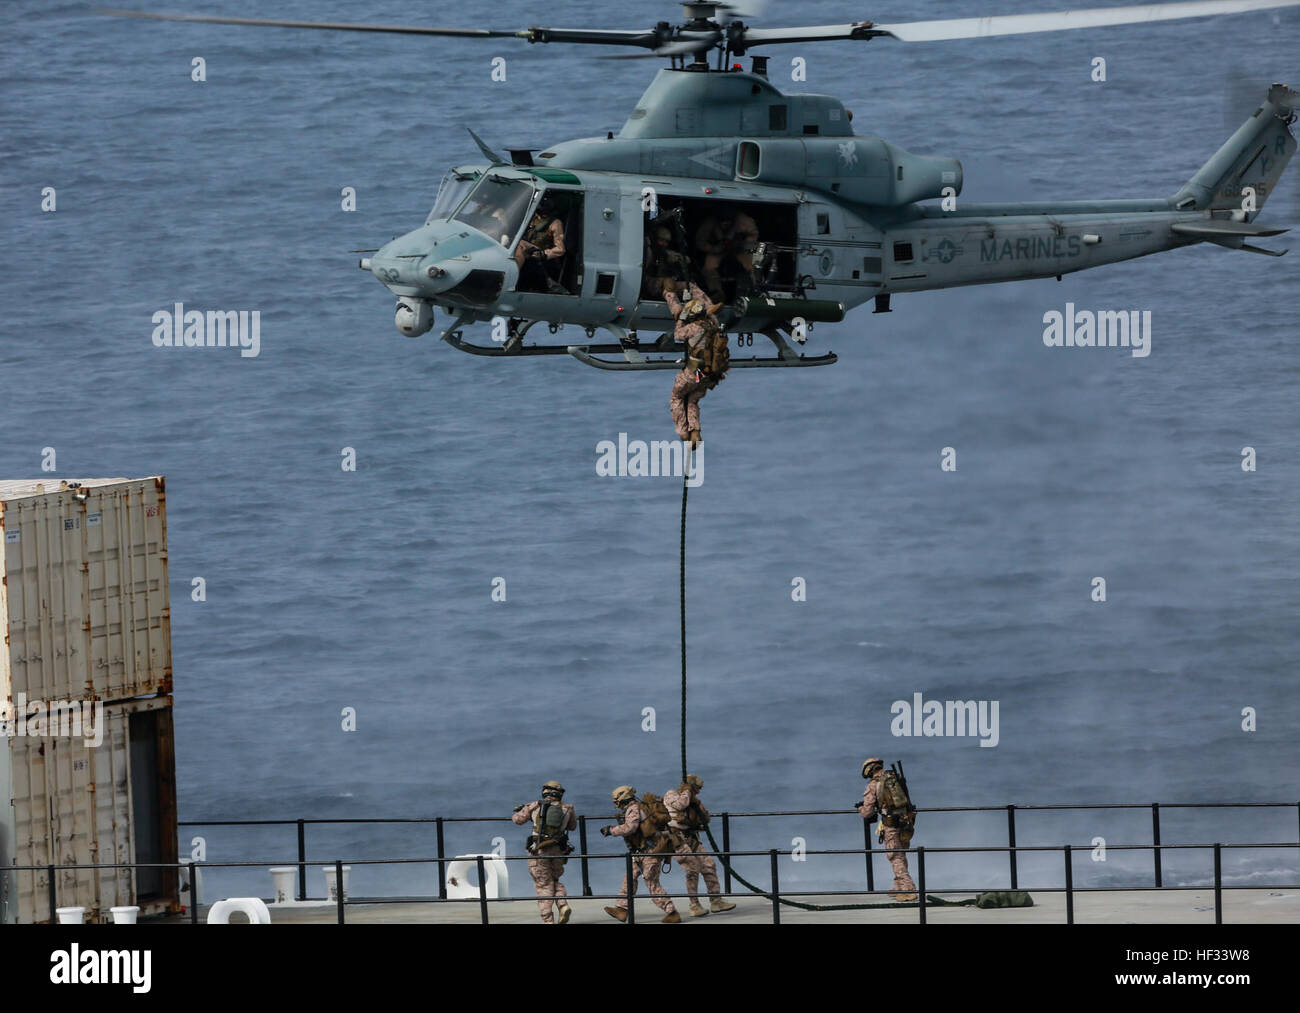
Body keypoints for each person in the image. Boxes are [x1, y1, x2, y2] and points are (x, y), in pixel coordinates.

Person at [599, 785, 680, 923]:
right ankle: (622, 909)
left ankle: (671, 912)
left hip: (650, 852)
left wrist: (611, 830)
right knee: (629, 878)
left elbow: (630, 827)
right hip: (641, 852)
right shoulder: (634, 807)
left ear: (623, 797)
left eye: (616, 800)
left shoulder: (633, 809)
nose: (615, 803)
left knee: (651, 882)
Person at [662, 773, 736, 917]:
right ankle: (694, 905)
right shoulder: (671, 795)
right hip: (676, 839)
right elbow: (680, 804)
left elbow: (706, 818)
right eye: (696, 789)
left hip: (692, 837)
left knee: (709, 864)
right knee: (692, 869)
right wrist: (687, 792)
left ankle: (716, 900)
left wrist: (695, 812)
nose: (698, 792)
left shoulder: (694, 801)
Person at [664, 281, 726, 448]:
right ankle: (696, 432)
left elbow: (677, 335)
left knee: (676, 397)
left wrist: (681, 319)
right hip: (709, 374)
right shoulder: (713, 323)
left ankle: (684, 433)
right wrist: (692, 287)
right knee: (691, 400)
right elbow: (707, 305)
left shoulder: (693, 328)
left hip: (692, 372)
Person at [511, 780, 578, 924]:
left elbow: (517, 820)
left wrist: (522, 810)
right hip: (558, 850)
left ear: (544, 792)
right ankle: (563, 905)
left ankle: (548, 921)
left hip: (539, 850)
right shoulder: (567, 808)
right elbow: (572, 826)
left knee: (543, 885)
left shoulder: (534, 805)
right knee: (554, 880)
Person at [856, 758, 918, 902]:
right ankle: (898, 886)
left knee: (894, 856)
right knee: (900, 854)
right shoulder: (894, 778)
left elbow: (867, 812)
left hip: (891, 824)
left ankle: (909, 889)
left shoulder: (874, 785)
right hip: (905, 822)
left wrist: (860, 808)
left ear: (868, 771)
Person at [693, 209, 759, 303]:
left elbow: (754, 234)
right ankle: (717, 293)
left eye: (728, 222)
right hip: (718, 248)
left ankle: (756, 290)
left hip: (739, 248)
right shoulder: (709, 223)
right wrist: (714, 248)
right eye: (723, 222)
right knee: (709, 268)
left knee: (753, 266)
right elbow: (700, 242)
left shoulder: (744, 220)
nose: (725, 224)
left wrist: (743, 245)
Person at [515, 197, 568, 293]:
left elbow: (560, 249)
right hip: (526, 252)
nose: (539, 212)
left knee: (521, 244)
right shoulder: (531, 218)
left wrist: (544, 253)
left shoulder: (555, 223)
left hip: (541, 256)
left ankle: (514, 274)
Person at [642, 225, 689, 300]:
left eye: (666, 242)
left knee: (690, 286)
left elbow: (686, 259)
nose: (664, 244)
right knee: (669, 286)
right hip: (650, 285)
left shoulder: (662, 252)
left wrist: (679, 258)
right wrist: (663, 280)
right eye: (661, 240)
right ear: (655, 239)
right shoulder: (648, 253)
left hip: (664, 284)